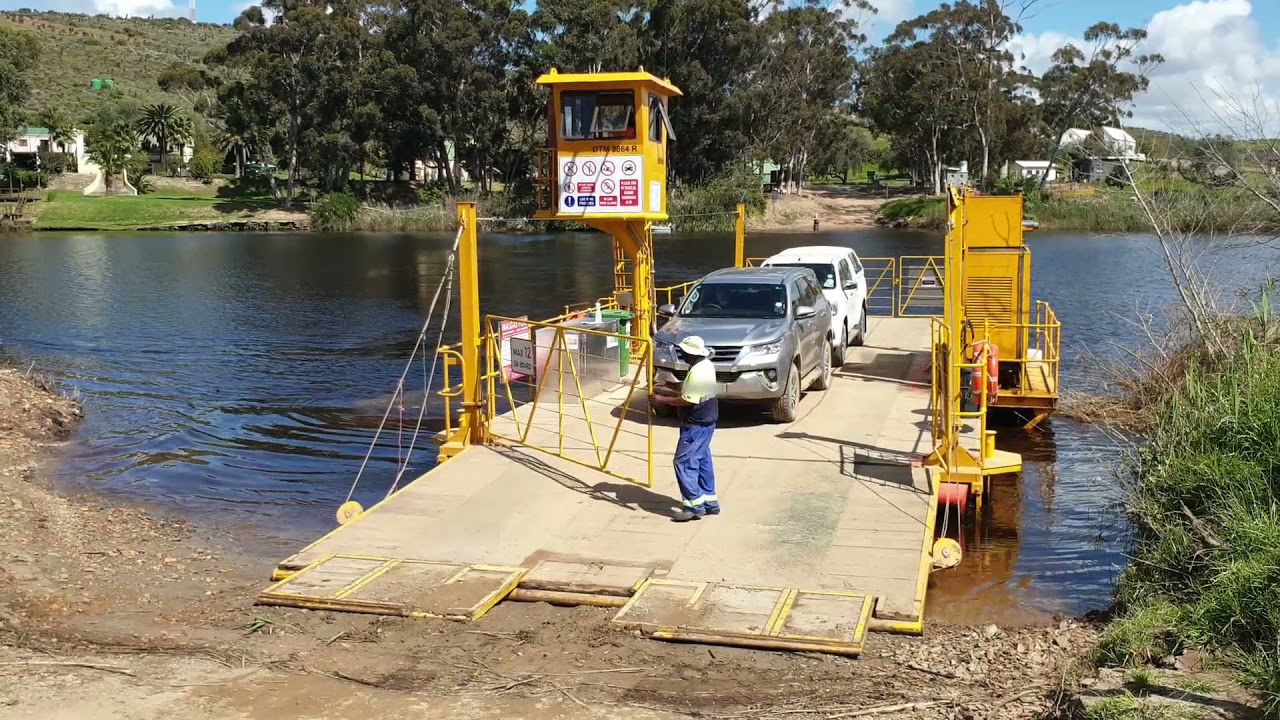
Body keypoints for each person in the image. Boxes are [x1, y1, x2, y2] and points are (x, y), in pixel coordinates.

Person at [655, 336, 720, 522]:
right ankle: (709, 502)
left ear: (692, 353)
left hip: (695, 425)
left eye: (684, 352)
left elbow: (688, 399)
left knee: (683, 462)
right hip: (706, 422)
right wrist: (669, 385)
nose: (682, 354)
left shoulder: (698, 371)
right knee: (702, 461)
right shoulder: (705, 365)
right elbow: (689, 388)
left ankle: (693, 506)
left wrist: (662, 400)